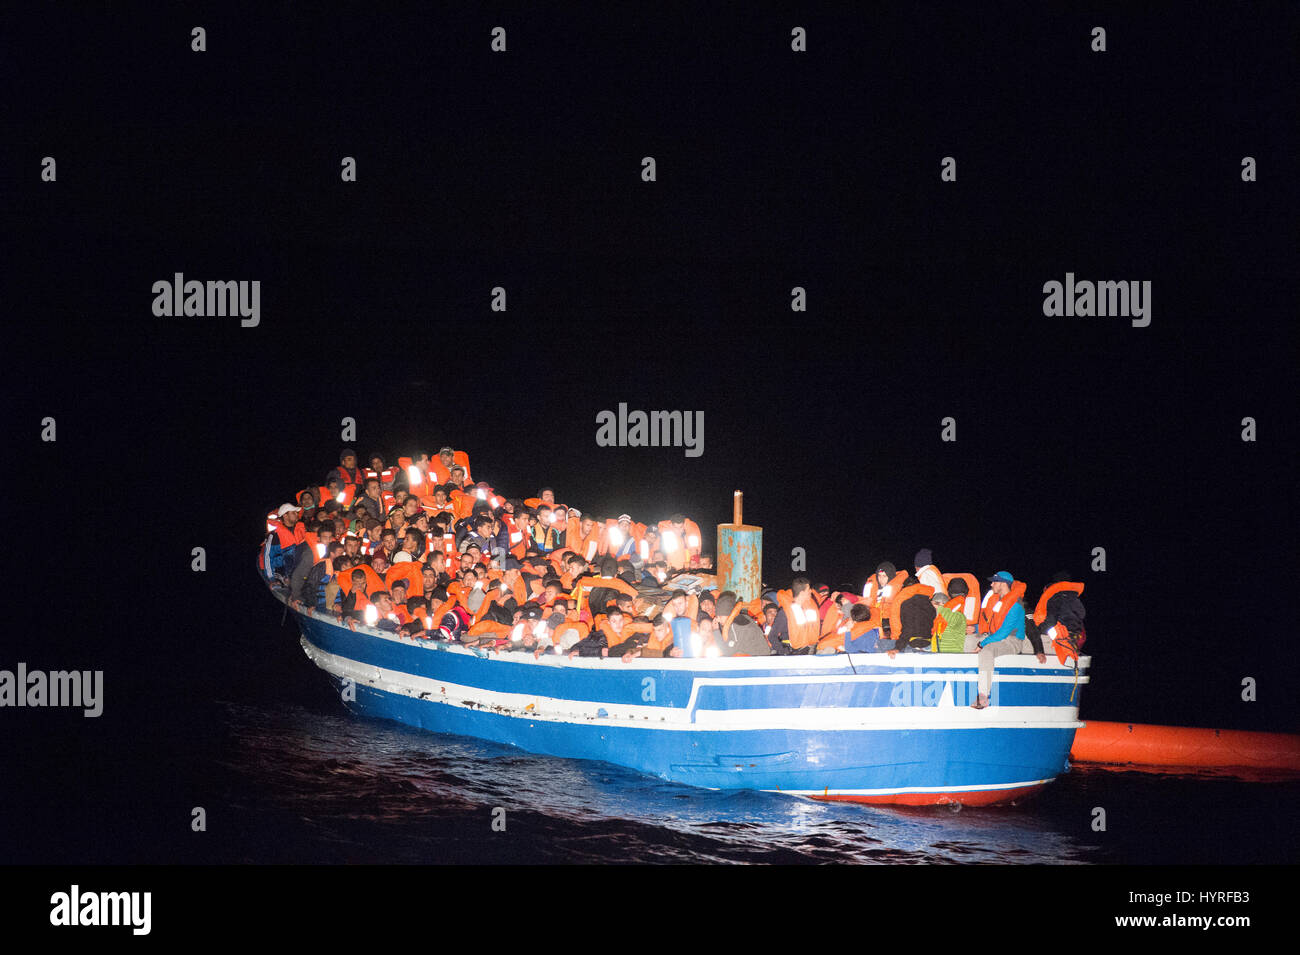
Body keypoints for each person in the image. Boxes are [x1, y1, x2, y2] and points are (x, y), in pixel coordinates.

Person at [971, 571, 1043, 709]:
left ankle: (983, 697)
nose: (991, 584)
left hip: (1011, 642)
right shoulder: (999, 601)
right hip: (995, 637)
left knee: (986, 651)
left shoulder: (1016, 605)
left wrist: (982, 644)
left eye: (994, 581)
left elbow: (1003, 633)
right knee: (968, 641)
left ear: (1003, 584)